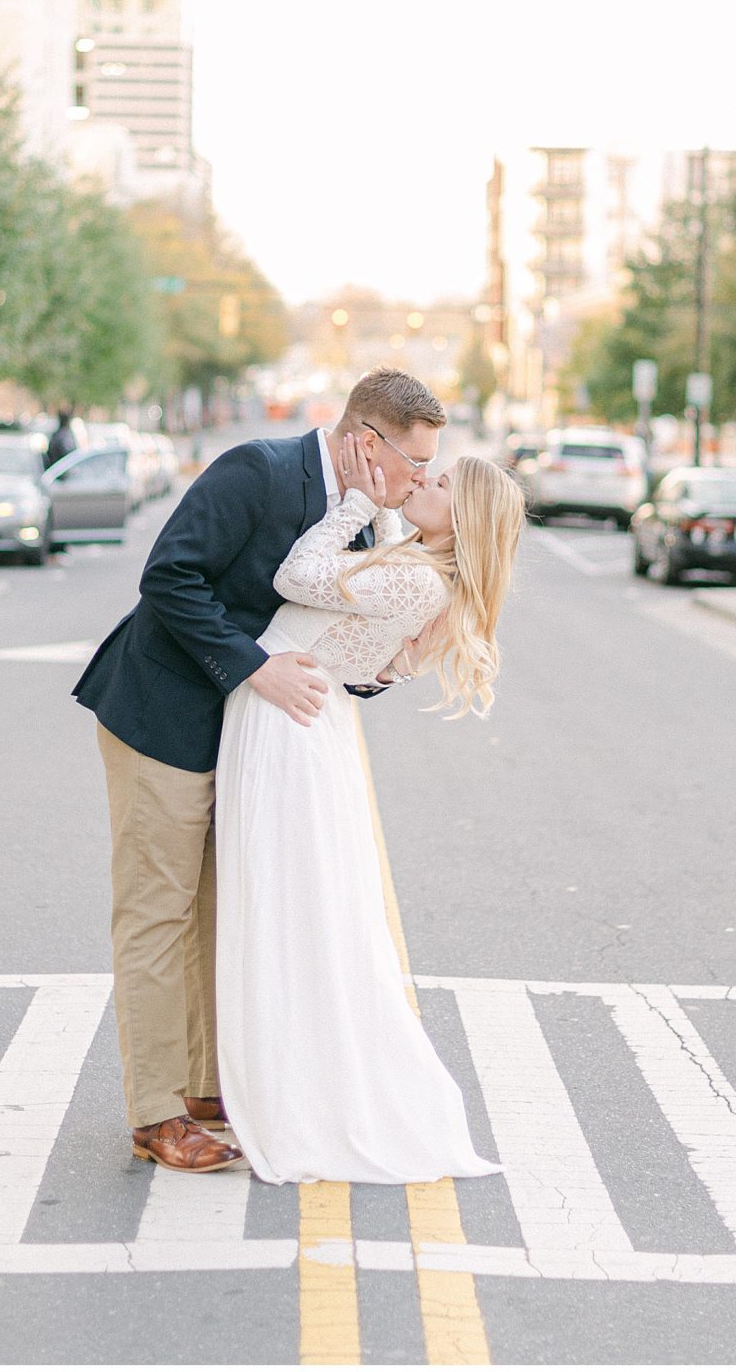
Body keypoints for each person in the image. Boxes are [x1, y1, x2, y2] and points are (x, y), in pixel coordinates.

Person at [72, 368, 446, 1172]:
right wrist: (252, 668)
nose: (421, 479)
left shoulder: (368, 521)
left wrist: (383, 668)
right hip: (165, 715)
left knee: (223, 910)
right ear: (366, 442)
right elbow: (168, 575)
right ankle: (156, 1112)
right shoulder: (259, 470)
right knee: (159, 914)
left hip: (254, 742)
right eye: (415, 462)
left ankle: (209, 1087)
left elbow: (331, 638)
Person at [215, 435, 525, 1183]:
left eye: (439, 483)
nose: (422, 481)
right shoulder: (416, 567)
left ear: (462, 516)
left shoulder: (419, 584)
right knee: (289, 902)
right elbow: (367, 602)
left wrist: (356, 503)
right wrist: (383, 510)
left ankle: (296, 1095)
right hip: (296, 714)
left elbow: (297, 575)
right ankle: (278, 1077)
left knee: (285, 906)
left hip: (287, 721)